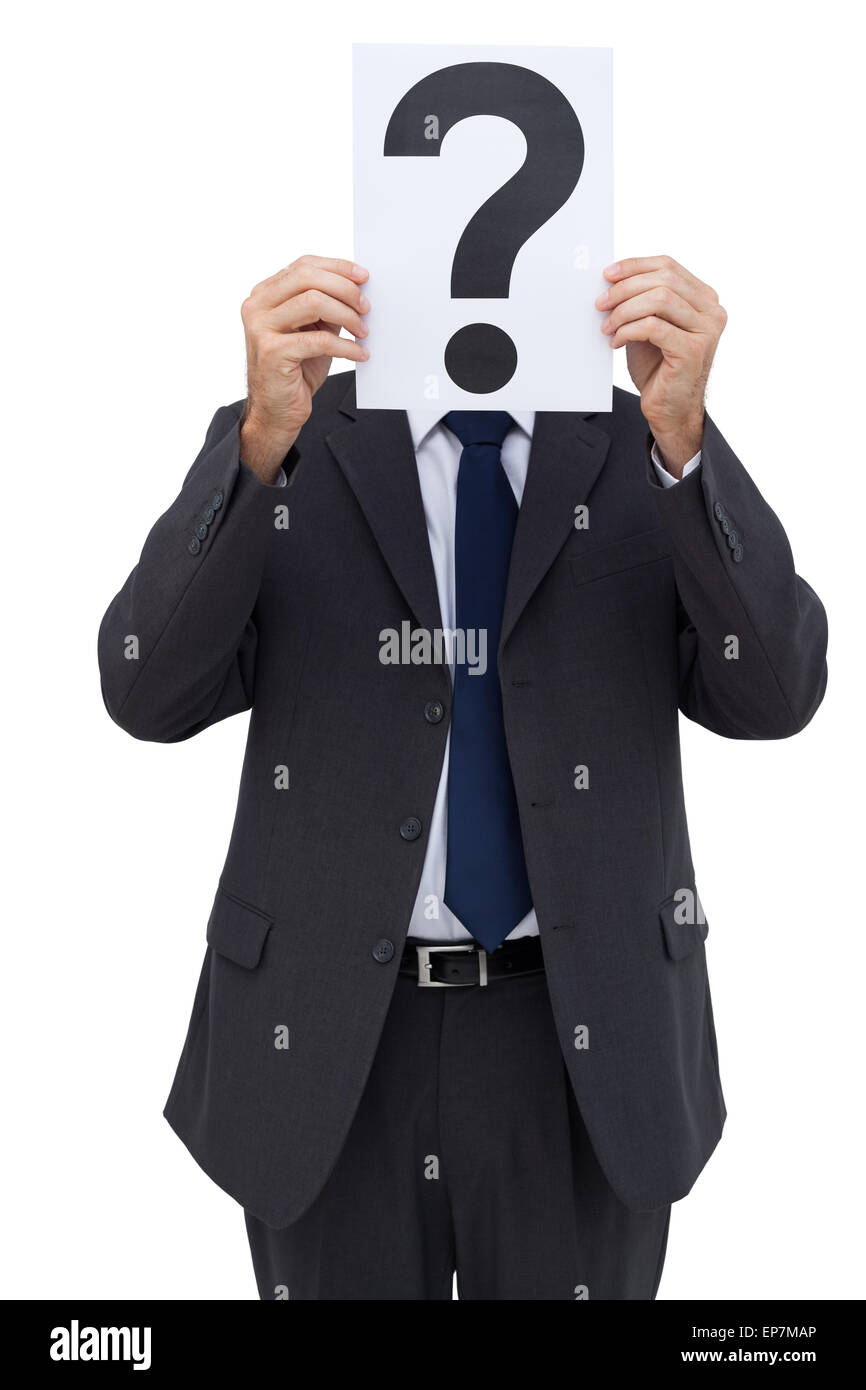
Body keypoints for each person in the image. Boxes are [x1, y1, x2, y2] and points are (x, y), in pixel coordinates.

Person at [97, 252, 827, 1300]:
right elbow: (147, 692)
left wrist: (685, 444)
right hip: (332, 1048)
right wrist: (258, 451)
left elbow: (773, 692)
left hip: (579, 1052)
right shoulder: (291, 437)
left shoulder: (644, 447)